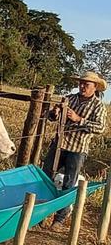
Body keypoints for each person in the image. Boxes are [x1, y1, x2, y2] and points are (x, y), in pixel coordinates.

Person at [43, 71, 107, 227]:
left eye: (86, 84)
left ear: (95, 87)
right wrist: (55, 113)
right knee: (46, 177)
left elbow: (100, 128)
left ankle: (60, 218)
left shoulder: (98, 106)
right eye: (81, 83)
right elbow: (51, 117)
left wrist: (79, 119)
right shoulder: (69, 99)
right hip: (59, 144)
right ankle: (41, 213)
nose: (82, 86)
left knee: (69, 183)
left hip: (77, 148)